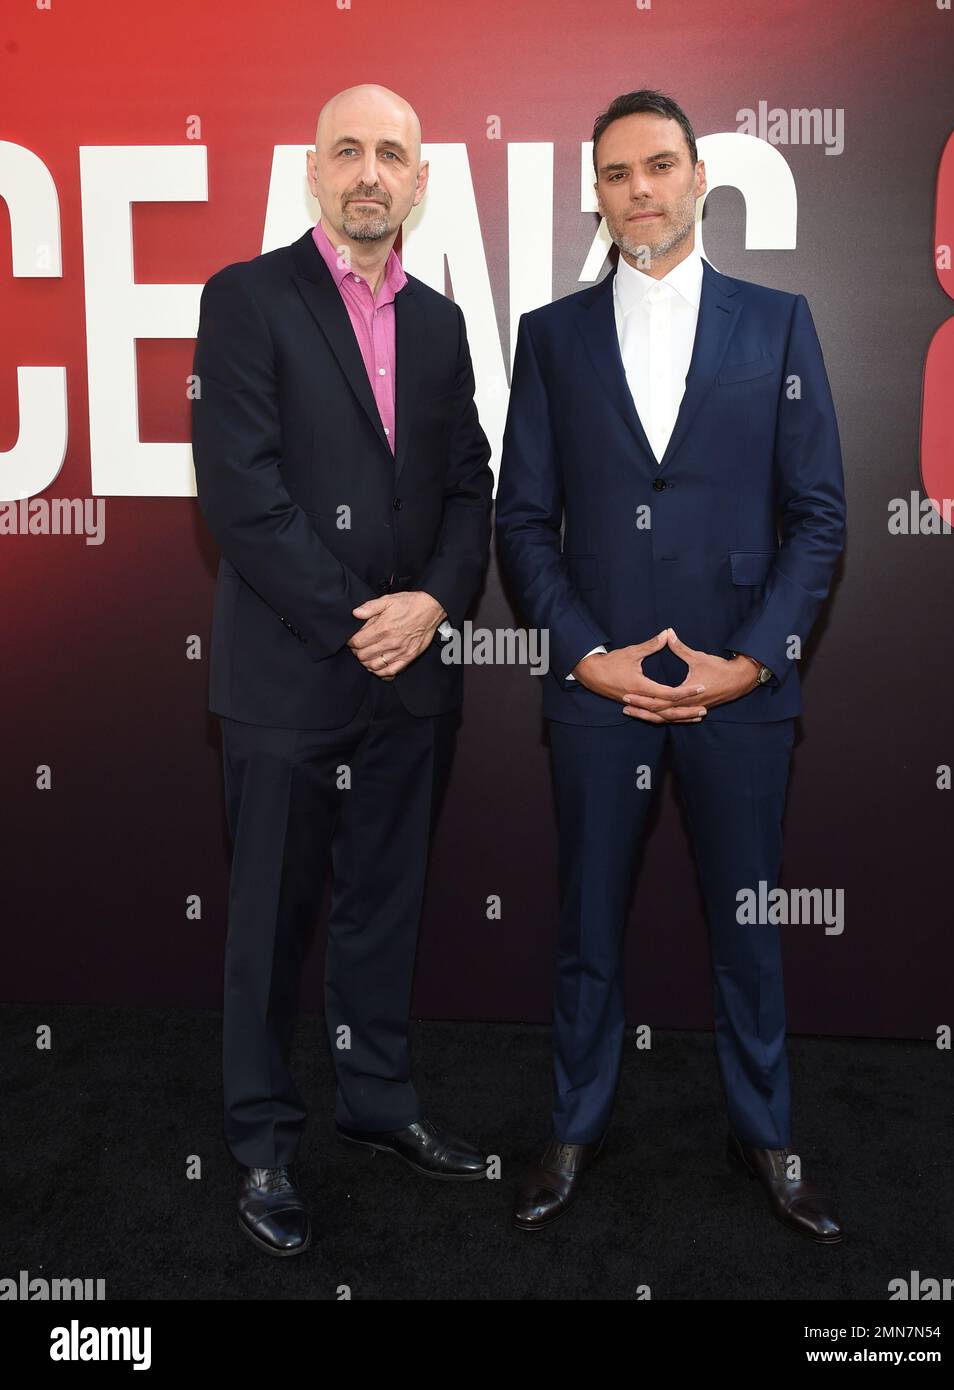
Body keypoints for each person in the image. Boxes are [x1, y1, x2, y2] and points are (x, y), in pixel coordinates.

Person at [496, 89, 846, 1242]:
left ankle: (767, 1132)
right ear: (595, 194)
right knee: (587, 930)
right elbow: (521, 523)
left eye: (657, 167)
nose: (638, 189)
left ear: (700, 180)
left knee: (747, 930)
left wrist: (745, 664)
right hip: (597, 701)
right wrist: (588, 657)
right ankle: (573, 1128)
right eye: (614, 173)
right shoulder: (550, 337)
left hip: (739, 699)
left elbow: (819, 519)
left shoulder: (779, 322)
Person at [191, 84, 494, 1256]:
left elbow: (469, 488)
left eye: (394, 155)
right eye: (349, 151)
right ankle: (264, 1143)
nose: (371, 171)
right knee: (269, 920)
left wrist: (431, 604)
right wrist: (358, 617)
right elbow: (243, 497)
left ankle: (375, 1103)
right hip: (288, 676)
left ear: (420, 182)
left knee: (384, 907)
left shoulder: (444, 325)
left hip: (412, 674)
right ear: (311, 174)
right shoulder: (246, 299)